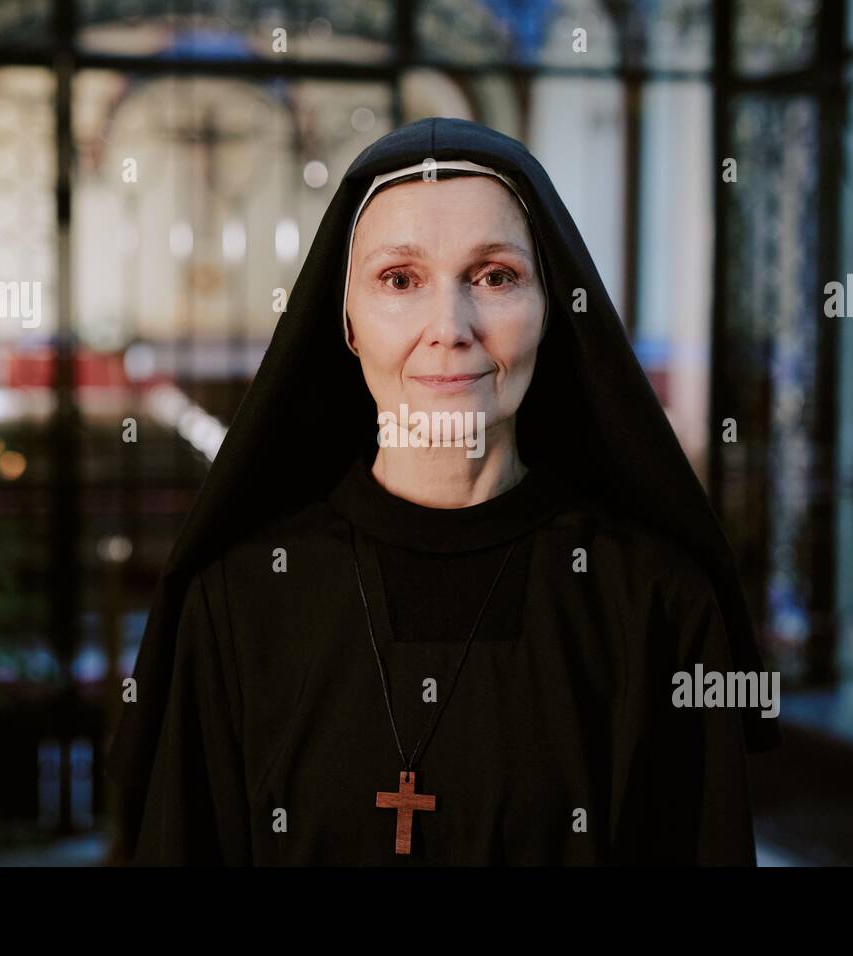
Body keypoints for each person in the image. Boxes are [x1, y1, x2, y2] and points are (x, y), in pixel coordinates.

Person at [107, 116, 780, 865]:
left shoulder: (656, 604)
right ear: (348, 322)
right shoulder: (236, 602)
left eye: (495, 277)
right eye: (401, 280)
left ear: (550, 308)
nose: (450, 326)